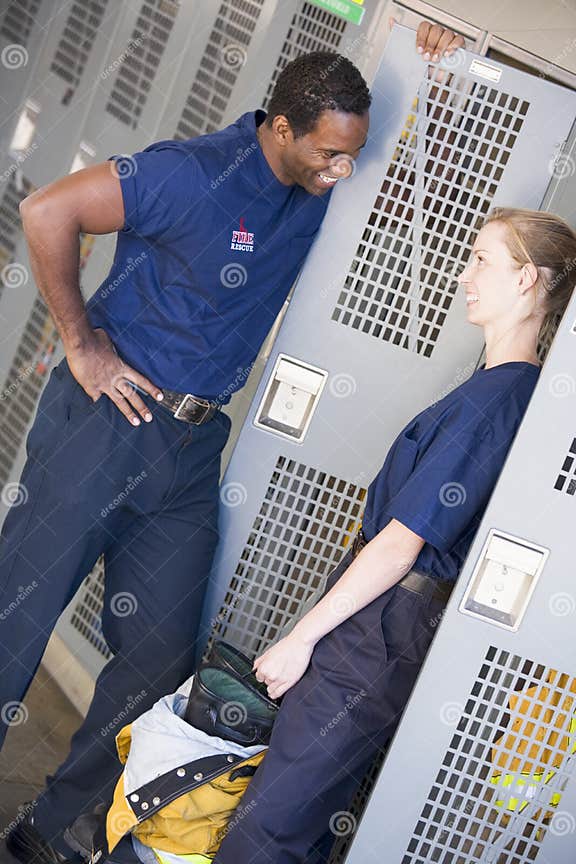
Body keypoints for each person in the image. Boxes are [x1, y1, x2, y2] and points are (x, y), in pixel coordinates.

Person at [2, 22, 464, 864]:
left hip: (187, 449)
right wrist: (82, 343)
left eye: (349, 155)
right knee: (15, 620)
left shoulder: (315, 186)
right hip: (102, 423)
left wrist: (441, 74)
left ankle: (50, 832)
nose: (342, 170)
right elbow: (48, 209)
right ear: (280, 129)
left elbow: (415, 193)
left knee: (157, 659)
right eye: (328, 153)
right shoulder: (191, 174)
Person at [211, 208, 576, 864]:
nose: (464, 275)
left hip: (377, 633)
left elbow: (400, 544)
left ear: (529, 281)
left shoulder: (495, 404)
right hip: (378, 629)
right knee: (301, 820)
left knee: (267, 827)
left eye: (482, 261)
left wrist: (300, 639)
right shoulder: (495, 391)